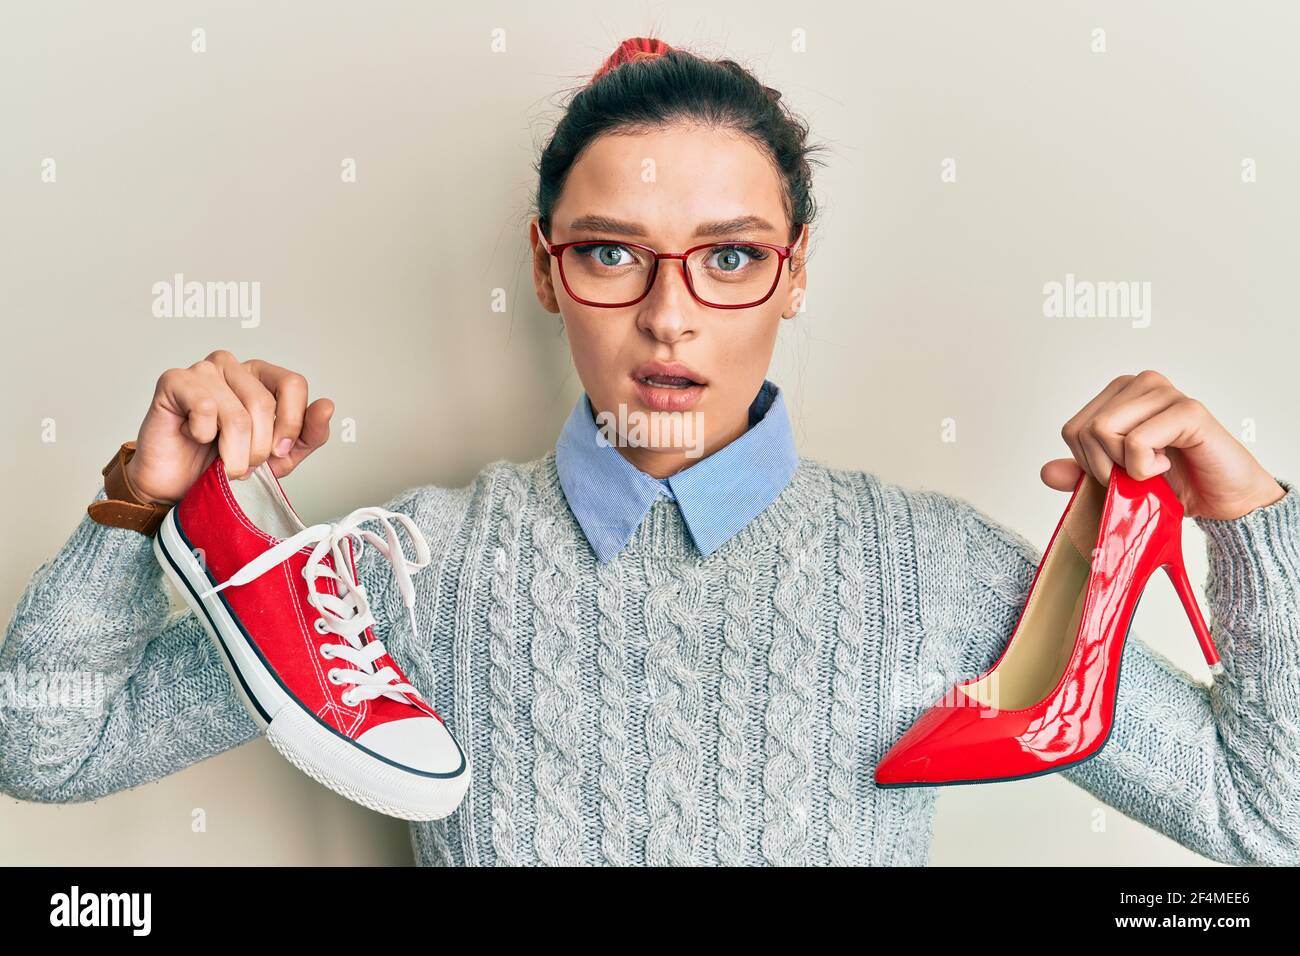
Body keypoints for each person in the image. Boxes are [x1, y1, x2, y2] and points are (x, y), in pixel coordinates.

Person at [2, 36, 1299, 867]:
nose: (669, 314)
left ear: (793, 276)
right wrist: (138, 504)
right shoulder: (413, 566)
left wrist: (1250, 526)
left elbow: (1267, 812)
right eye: (613, 251)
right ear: (549, 268)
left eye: (730, 256)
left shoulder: (936, 571)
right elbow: (46, 755)